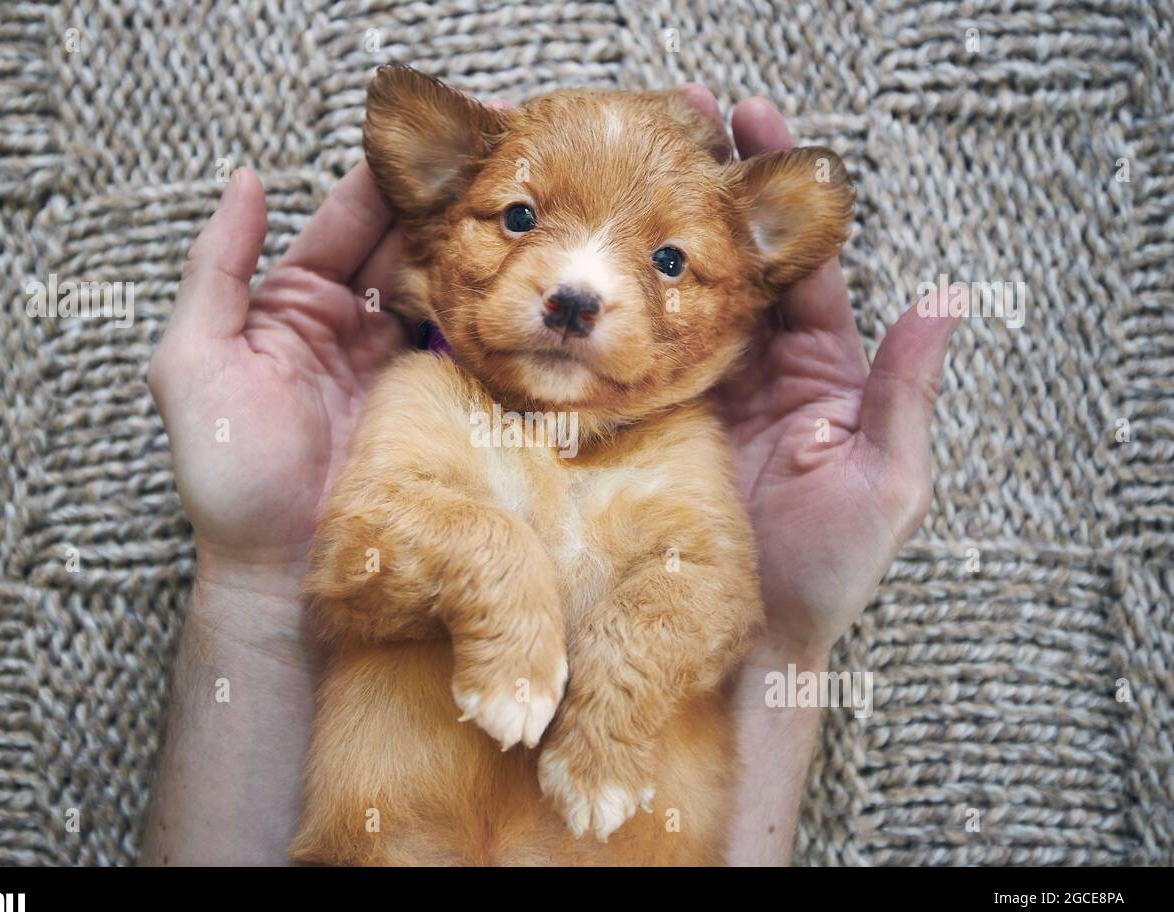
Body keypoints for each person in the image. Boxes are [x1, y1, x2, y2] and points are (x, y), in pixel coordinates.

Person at [139, 90, 961, 866]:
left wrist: (634, 693)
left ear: (746, 280)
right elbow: (357, 566)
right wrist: (482, 570)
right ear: (439, 200)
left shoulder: (690, 449)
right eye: (520, 217)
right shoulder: (426, 395)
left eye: (669, 260)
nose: (579, 289)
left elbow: (712, 595)